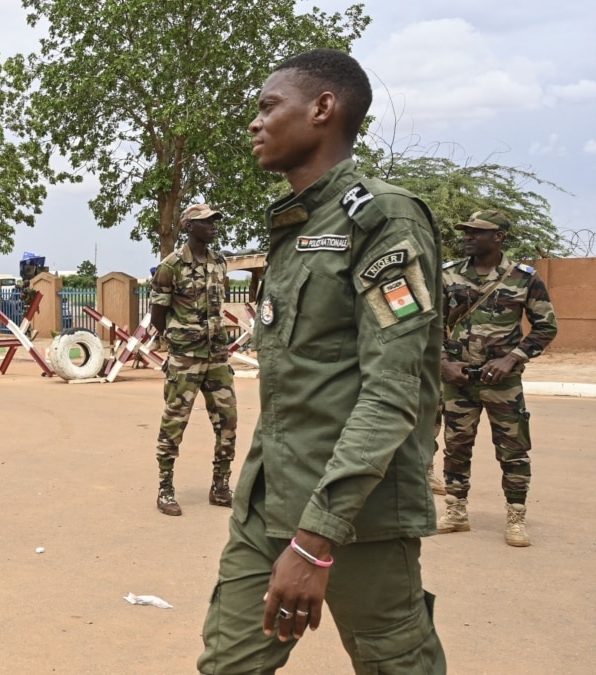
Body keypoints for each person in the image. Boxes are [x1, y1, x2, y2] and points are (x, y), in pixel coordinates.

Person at [197, 50, 446, 673]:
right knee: (228, 664)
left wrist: (314, 542)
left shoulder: (383, 218)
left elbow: (394, 393)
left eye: (268, 107)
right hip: (269, 499)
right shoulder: (295, 225)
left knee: (395, 663)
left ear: (322, 109)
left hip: (352, 516)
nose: (255, 123)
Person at [437, 209, 557, 547]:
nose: (467, 236)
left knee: (514, 450)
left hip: (501, 382)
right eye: (466, 231)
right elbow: (429, 325)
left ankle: (516, 516)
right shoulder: (447, 276)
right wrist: (443, 362)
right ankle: (456, 511)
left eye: (477, 232)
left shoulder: (523, 278)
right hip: (458, 379)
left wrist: (513, 357)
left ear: (498, 237)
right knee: (456, 447)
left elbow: (546, 326)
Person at [149, 203, 238, 514]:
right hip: (185, 357)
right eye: (206, 222)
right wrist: (179, 339)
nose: (213, 225)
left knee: (228, 421)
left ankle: (221, 485)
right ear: (189, 226)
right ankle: (165, 488)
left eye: (215, 221)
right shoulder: (170, 266)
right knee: (174, 422)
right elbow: (157, 315)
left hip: (217, 356)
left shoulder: (219, 262)